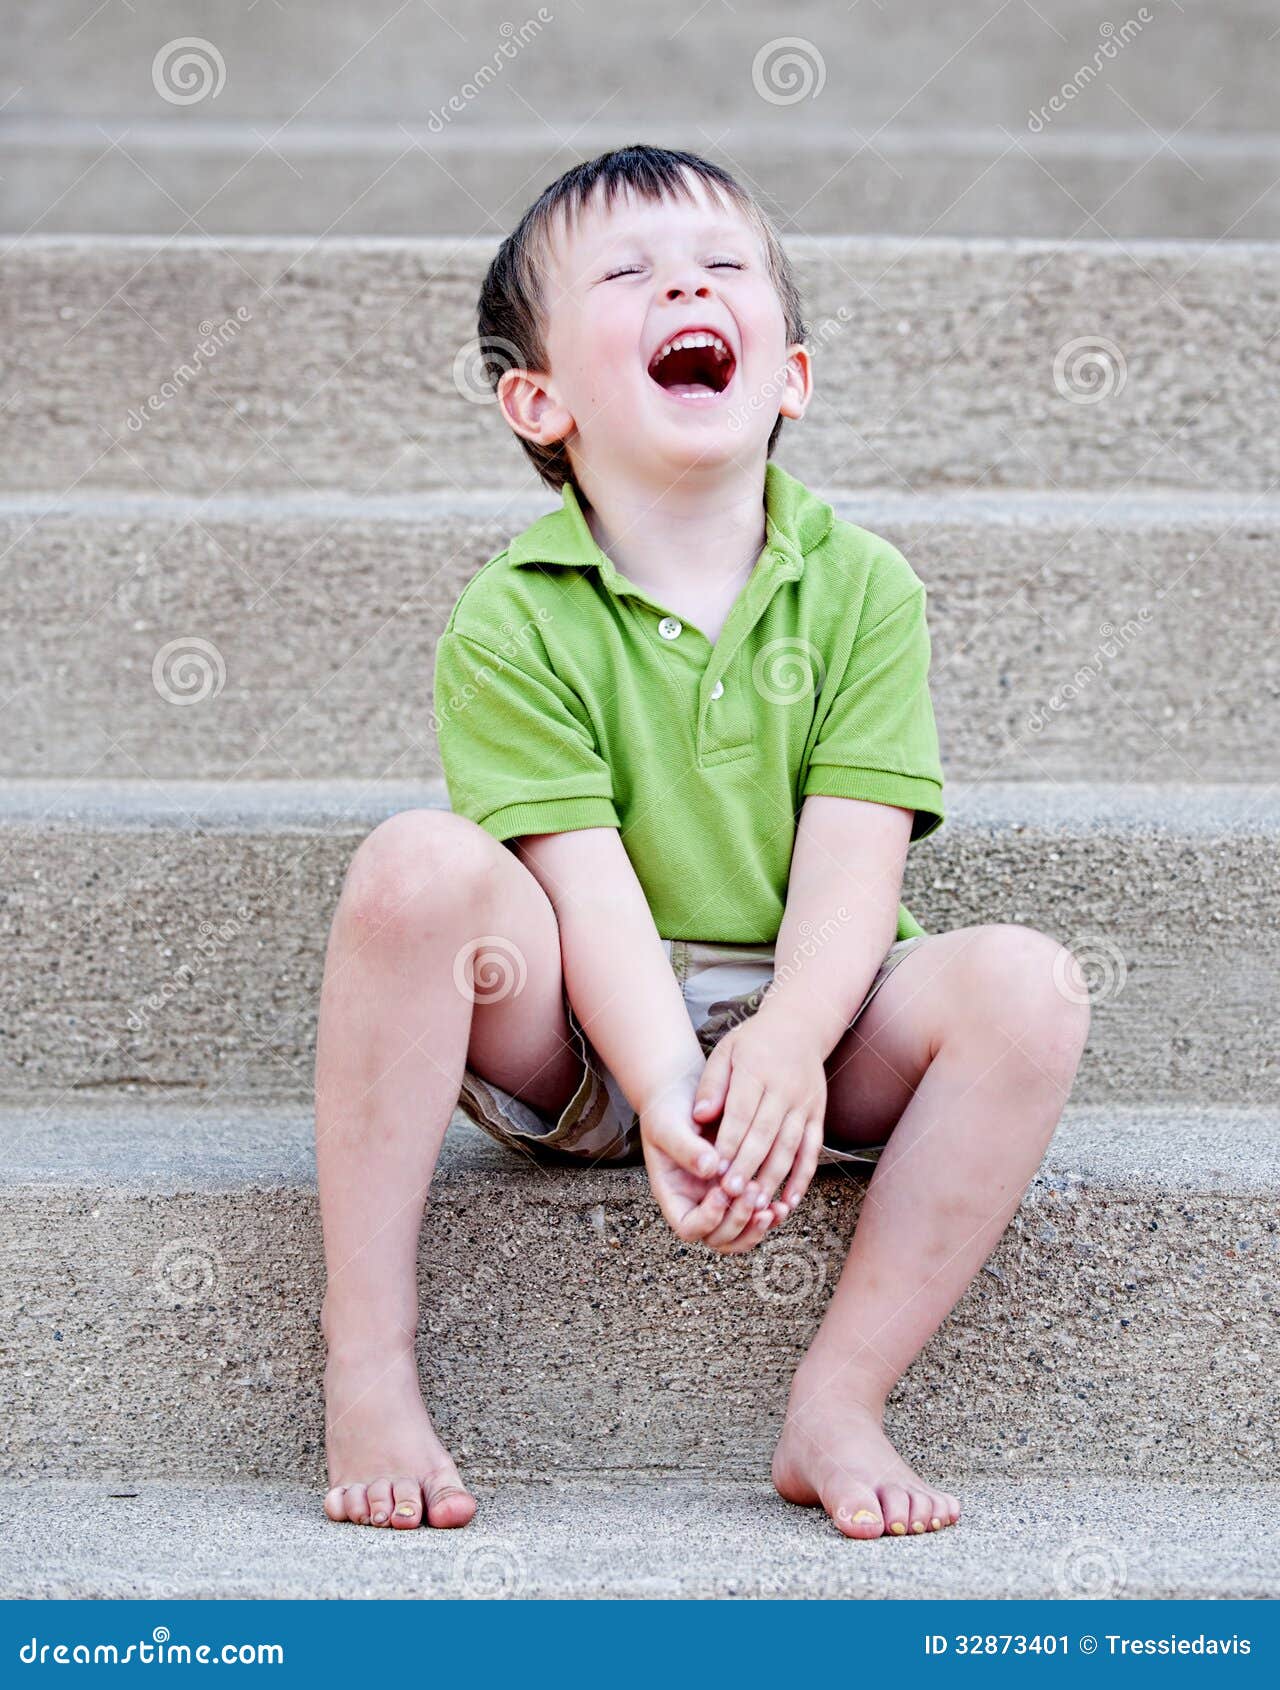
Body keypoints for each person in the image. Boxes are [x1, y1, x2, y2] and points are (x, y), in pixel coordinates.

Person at [315, 145, 1091, 1540]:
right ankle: (367, 1356)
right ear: (538, 399)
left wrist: (787, 1040)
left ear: (786, 373)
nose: (685, 279)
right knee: (413, 871)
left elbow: (858, 863)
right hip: (584, 1041)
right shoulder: (516, 613)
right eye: (626, 273)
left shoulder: (862, 589)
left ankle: (839, 1397)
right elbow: (580, 879)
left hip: (816, 1032)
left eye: (724, 266)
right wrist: (666, 1082)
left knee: (1029, 987)